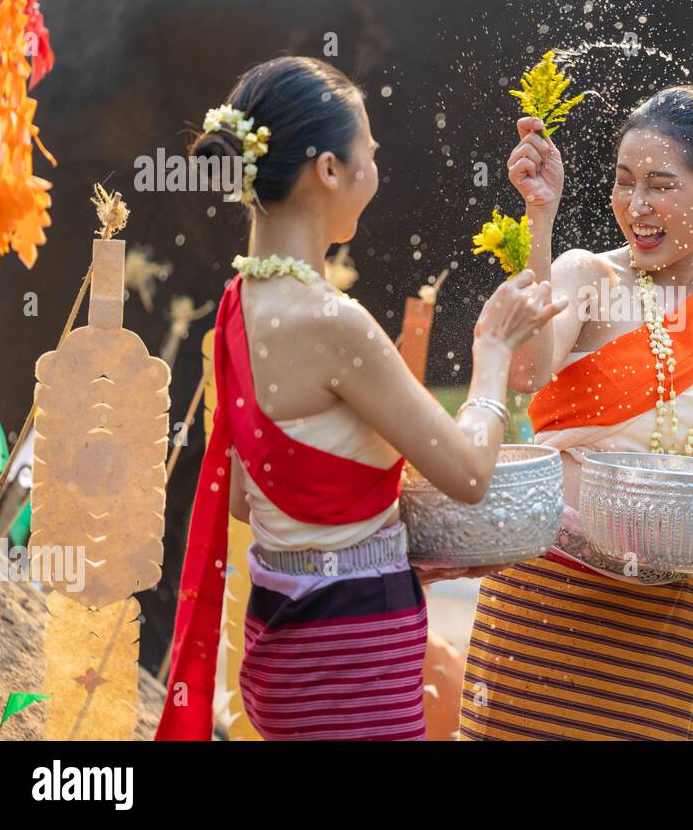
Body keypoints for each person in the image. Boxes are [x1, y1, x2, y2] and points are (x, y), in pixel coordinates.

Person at [156, 56, 565, 740]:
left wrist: (365, 526)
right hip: (352, 661)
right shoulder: (333, 322)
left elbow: (242, 496)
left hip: (279, 646)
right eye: (368, 156)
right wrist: (491, 354)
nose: (375, 173)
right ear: (328, 172)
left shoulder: (238, 305)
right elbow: (467, 473)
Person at [458, 86, 693, 740]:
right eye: (623, 184)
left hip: (663, 626)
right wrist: (540, 217)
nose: (636, 208)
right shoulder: (587, 277)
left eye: (660, 186)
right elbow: (526, 370)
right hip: (544, 602)